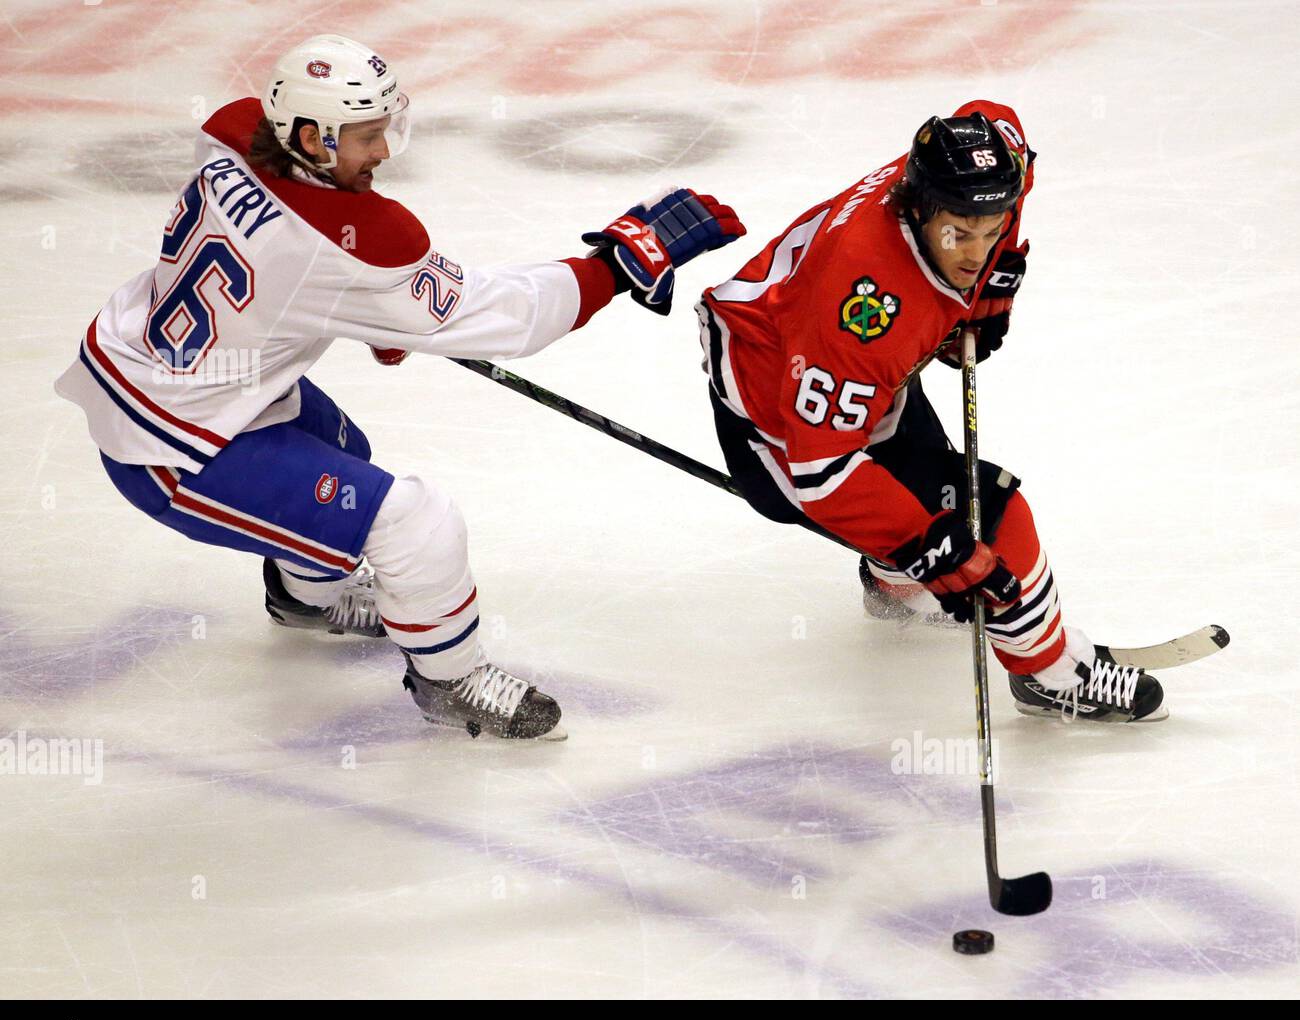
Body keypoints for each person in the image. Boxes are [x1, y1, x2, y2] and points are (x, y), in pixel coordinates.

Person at [55, 34, 745, 741]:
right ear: (309, 137)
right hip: (173, 444)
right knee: (418, 523)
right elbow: (507, 318)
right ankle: (453, 681)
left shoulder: (233, 140)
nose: (383, 151)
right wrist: (617, 265)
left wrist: (381, 310)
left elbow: (290, 273)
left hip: (171, 368)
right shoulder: (349, 240)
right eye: (365, 136)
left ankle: (307, 598)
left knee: (342, 447)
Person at [696, 102, 1164, 723]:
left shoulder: (970, 171)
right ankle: (1049, 675)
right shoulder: (867, 313)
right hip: (776, 415)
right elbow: (822, 471)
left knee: (921, 472)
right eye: (958, 235)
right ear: (917, 208)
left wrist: (995, 281)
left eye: (989, 229)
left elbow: (992, 123)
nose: (974, 251)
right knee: (991, 515)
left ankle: (895, 583)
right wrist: (926, 545)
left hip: (817, 347)